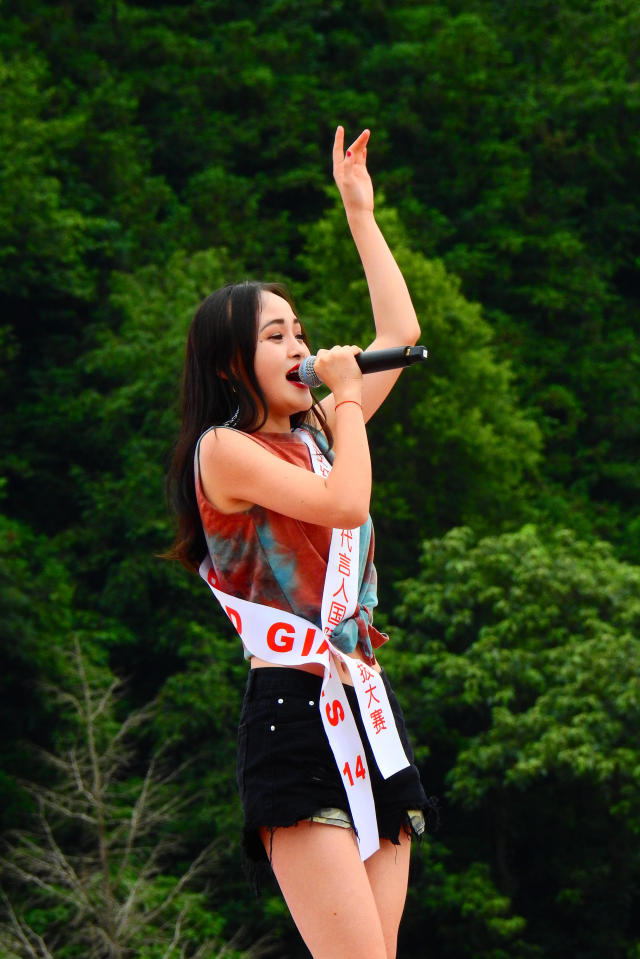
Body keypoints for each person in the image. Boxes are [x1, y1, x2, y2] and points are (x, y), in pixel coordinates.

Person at [167, 126, 429, 959]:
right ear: (229, 363)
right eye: (276, 335)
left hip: (367, 703)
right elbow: (346, 503)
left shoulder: (320, 428)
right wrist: (346, 399)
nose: (301, 346)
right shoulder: (224, 450)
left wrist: (360, 214)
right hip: (292, 711)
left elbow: (400, 328)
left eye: (299, 330)